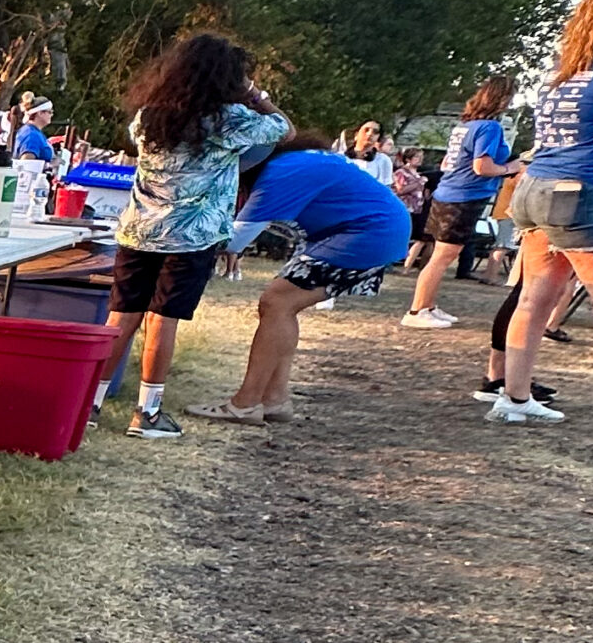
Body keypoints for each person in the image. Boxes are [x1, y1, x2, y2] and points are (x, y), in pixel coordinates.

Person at [103, 33, 290, 440]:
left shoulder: (148, 115)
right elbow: (284, 130)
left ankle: (89, 403)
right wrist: (255, 94)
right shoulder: (229, 119)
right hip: (191, 235)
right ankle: (148, 413)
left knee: (121, 316)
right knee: (162, 319)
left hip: (139, 228)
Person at [188, 136, 416, 422]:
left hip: (367, 232)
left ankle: (245, 404)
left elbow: (233, 239)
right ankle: (274, 400)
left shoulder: (278, 173)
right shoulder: (291, 162)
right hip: (375, 228)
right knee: (280, 305)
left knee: (277, 303)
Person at [486, 0, 593, 425]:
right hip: (576, 192)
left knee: (533, 300)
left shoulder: (560, 80)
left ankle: (512, 399)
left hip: (533, 189)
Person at [404, 75, 517, 327]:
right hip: (464, 197)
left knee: (439, 254)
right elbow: (482, 166)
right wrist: (511, 167)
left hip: (447, 193)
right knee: (443, 256)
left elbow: (447, 163)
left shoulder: (464, 126)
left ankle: (428, 305)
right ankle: (416, 311)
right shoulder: (489, 127)